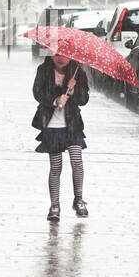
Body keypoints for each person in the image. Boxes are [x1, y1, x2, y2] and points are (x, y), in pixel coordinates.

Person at [31, 45, 90, 222]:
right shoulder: (44, 70)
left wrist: (72, 89)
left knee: (77, 161)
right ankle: (54, 205)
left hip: (72, 125)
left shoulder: (77, 72)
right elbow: (37, 93)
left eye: (65, 54)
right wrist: (55, 100)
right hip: (52, 126)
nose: (60, 57)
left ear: (72, 56)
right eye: (56, 53)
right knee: (56, 167)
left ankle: (79, 200)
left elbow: (84, 99)